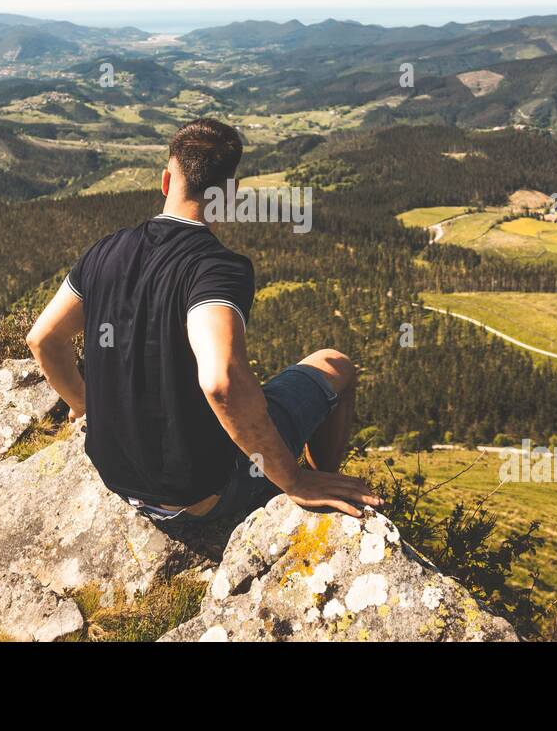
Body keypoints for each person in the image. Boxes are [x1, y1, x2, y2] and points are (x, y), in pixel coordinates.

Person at [26, 117, 381, 526]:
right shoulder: (216, 269)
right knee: (335, 364)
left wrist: (84, 404)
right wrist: (295, 479)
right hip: (197, 499)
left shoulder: (106, 251)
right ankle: (318, 484)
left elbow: (43, 339)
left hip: (115, 477)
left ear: (165, 181)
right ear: (228, 196)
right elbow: (221, 383)